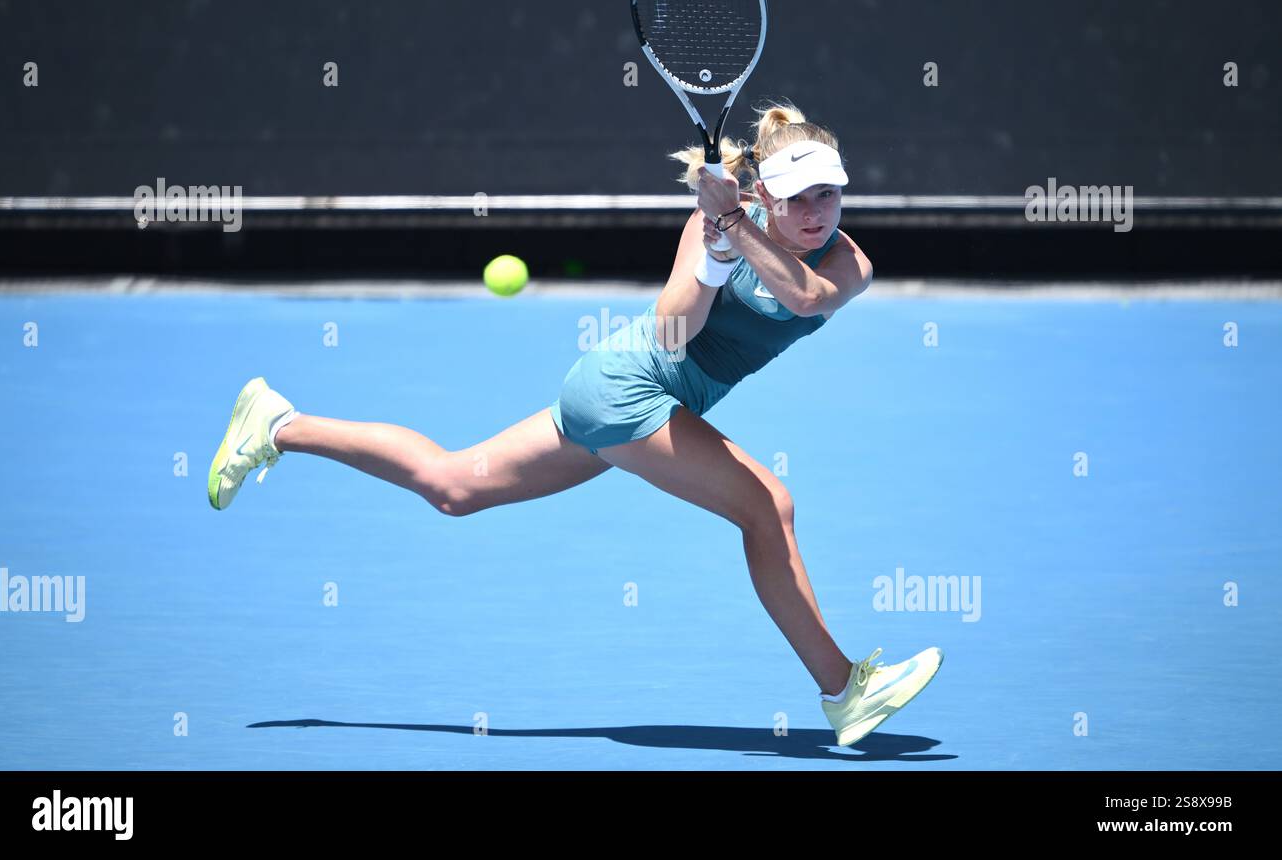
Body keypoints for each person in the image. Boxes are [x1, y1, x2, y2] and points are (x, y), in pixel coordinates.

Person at [206, 101, 942, 748]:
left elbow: (808, 299)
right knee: (766, 506)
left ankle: (278, 425)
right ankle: (845, 690)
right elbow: (673, 334)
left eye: (829, 194)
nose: (817, 212)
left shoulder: (848, 264)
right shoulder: (711, 225)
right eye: (798, 198)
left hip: (636, 400)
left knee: (453, 486)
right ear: (763, 195)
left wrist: (734, 227)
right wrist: (717, 250)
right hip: (625, 386)